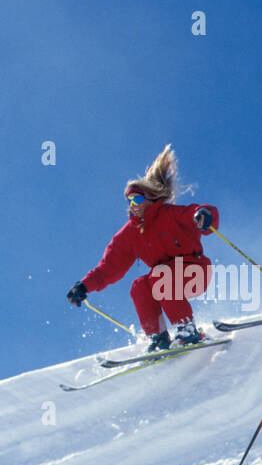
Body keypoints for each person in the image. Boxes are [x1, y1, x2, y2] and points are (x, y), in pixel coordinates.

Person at [67, 145, 218, 352]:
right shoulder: (130, 234)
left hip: (195, 271)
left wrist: (204, 215)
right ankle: (158, 337)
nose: (133, 205)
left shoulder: (169, 214)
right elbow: (110, 267)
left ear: (151, 199)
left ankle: (187, 330)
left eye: (137, 199)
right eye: (129, 201)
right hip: (164, 280)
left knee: (159, 275)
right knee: (139, 286)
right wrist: (84, 286)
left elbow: (196, 214)